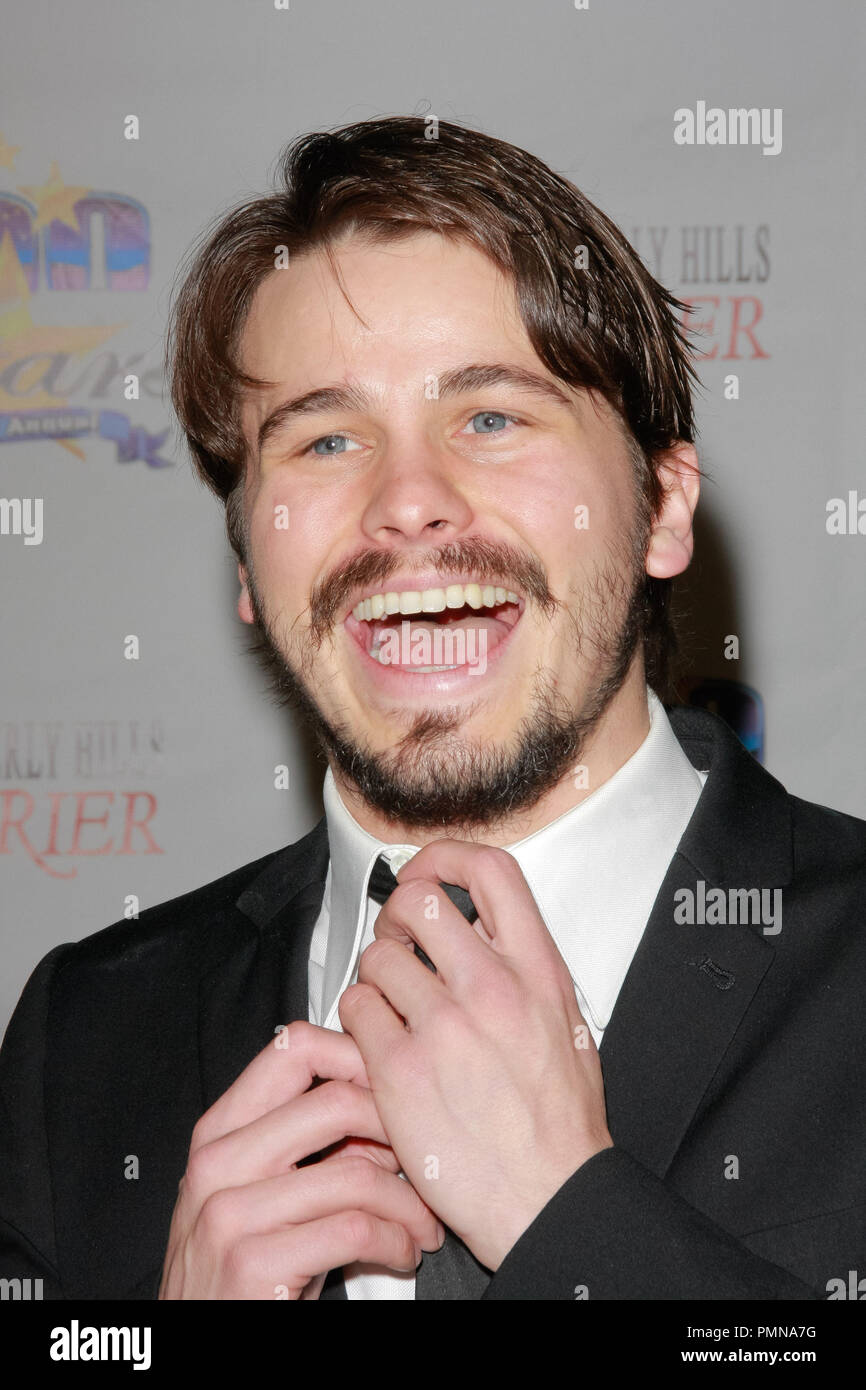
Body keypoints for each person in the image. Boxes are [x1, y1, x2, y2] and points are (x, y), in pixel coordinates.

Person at [1, 116, 863, 1302]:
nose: (407, 502)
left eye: (491, 416)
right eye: (325, 437)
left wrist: (569, 1222)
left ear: (663, 507)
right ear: (248, 567)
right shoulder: (81, 1036)